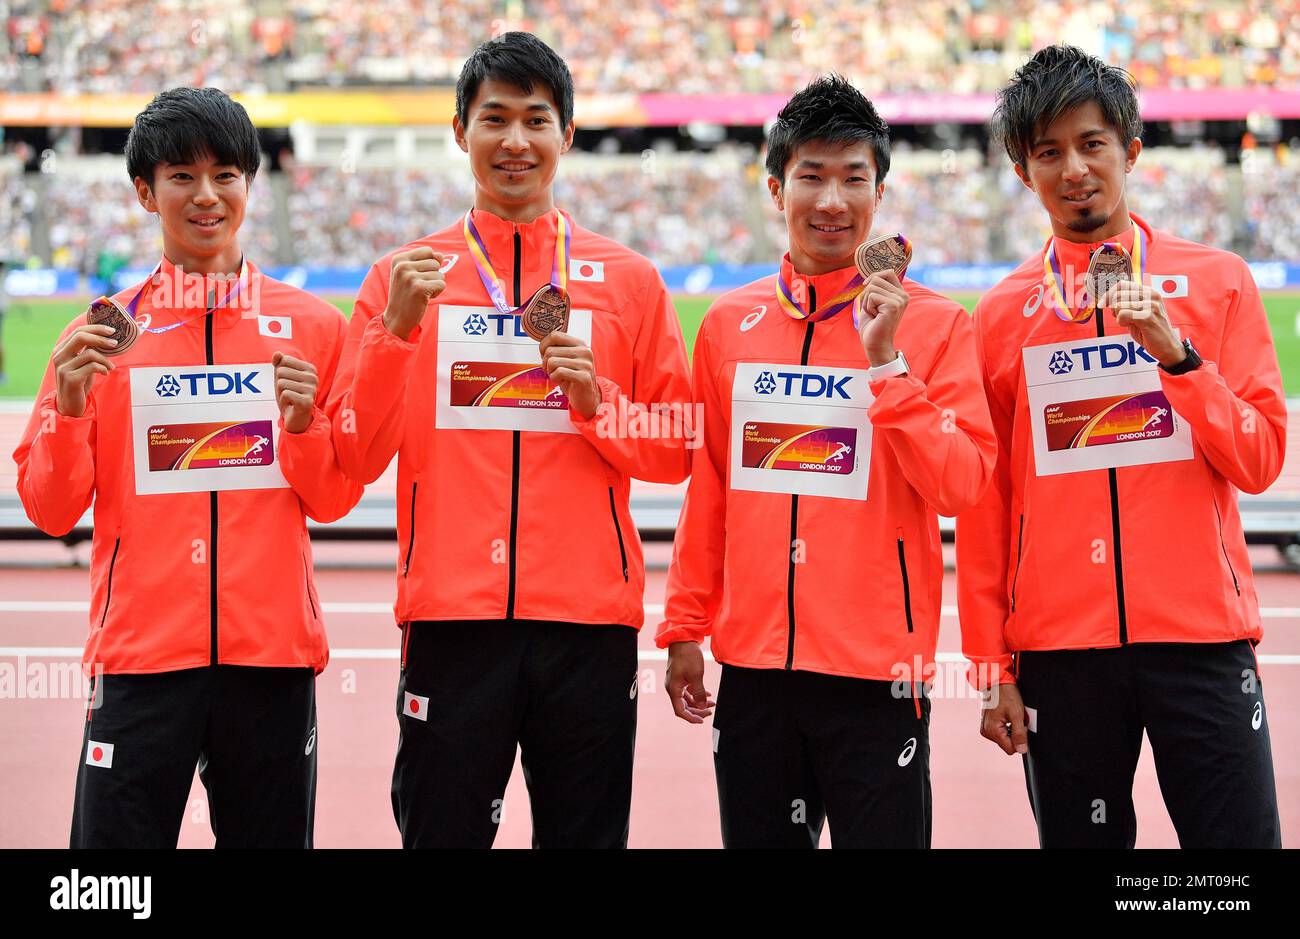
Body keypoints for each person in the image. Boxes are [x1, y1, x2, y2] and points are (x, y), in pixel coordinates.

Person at [328, 32, 692, 849]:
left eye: (537, 120)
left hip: (588, 623)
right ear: (461, 131)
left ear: (568, 133)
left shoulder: (629, 280)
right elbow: (353, 453)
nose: (516, 142)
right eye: (495, 119)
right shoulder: (402, 278)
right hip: (452, 620)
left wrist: (601, 403)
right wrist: (393, 337)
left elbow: (677, 446)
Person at [13, 87, 362, 848]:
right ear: (145, 191)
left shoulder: (315, 327)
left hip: (270, 659)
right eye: (181, 176)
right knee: (110, 888)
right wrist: (71, 412)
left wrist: (303, 427)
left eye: (226, 174)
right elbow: (47, 510)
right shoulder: (99, 337)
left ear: (250, 183)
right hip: (140, 657)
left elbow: (335, 497)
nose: (207, 195)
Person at [957, 44, 1283, 848]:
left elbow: (1261, 458)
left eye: (1092, 143)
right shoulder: (1000, 316)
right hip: (1063, 656)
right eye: (1048, 152)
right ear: (1024, 171)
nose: (1073, 168)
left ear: (1130, 150)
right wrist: (992, 665)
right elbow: (986, 504)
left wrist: (1178, 359)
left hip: (1201, 641)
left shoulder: (1218, 282)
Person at [657, 75, 996, 848]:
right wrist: (684, 623)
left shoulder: (936, 325)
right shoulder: (727, 325)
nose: (832, 201)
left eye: (853, 179)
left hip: (881, 675)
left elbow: (964, 483)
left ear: (880, 193)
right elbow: (711, 487)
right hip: (756, 670)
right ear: (777, 188)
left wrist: (887, 371)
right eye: (812, 176)